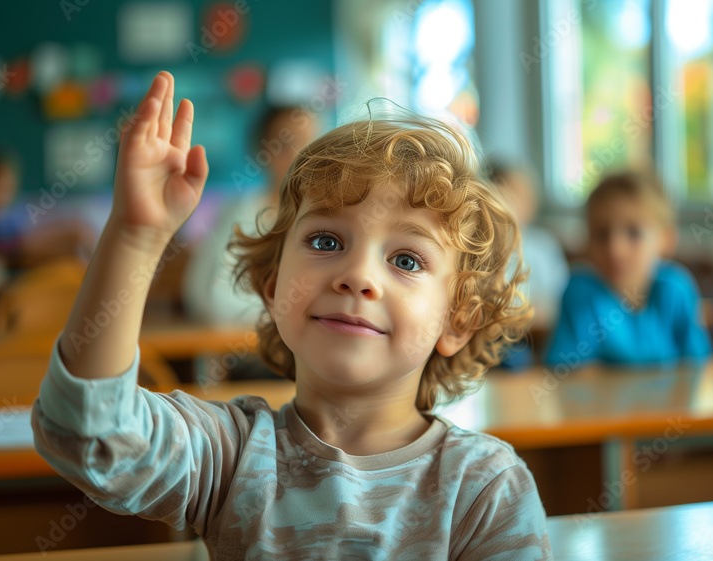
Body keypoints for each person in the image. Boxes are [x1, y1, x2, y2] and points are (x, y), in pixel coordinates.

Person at [31, 72, 551, 559]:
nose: (358, 276)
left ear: (457, 321)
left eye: (406, 260)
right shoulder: (231, 456)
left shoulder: (485, 488)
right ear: (274, 286)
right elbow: (88, 433)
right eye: (326, 240)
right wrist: (134, 236)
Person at [544, 170, 713, 367]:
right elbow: (568, 374)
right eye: (601, 234)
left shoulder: (675, 288)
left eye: (634, 233)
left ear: (666, 240)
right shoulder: (580, 292)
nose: (615, 250)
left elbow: (699, 367)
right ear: (587, 240)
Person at [182, 105, 318, 327]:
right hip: (240, 346)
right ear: (264, 151)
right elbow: (212, 298)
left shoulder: (327, 219)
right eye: (285, 144)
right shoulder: (240, 213)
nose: (299, 155)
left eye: (311, 143)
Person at [0, 151, 96, 266]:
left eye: (4, 187)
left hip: (21, 255)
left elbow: (28, 239)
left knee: (77, 231)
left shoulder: (21, 210)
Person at [487, 161, 569, 370]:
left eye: (516, 196)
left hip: (533, 338)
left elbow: (559, 299)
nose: (507, 202)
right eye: (498, 193)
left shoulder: (542, 245)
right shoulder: (482, 246)